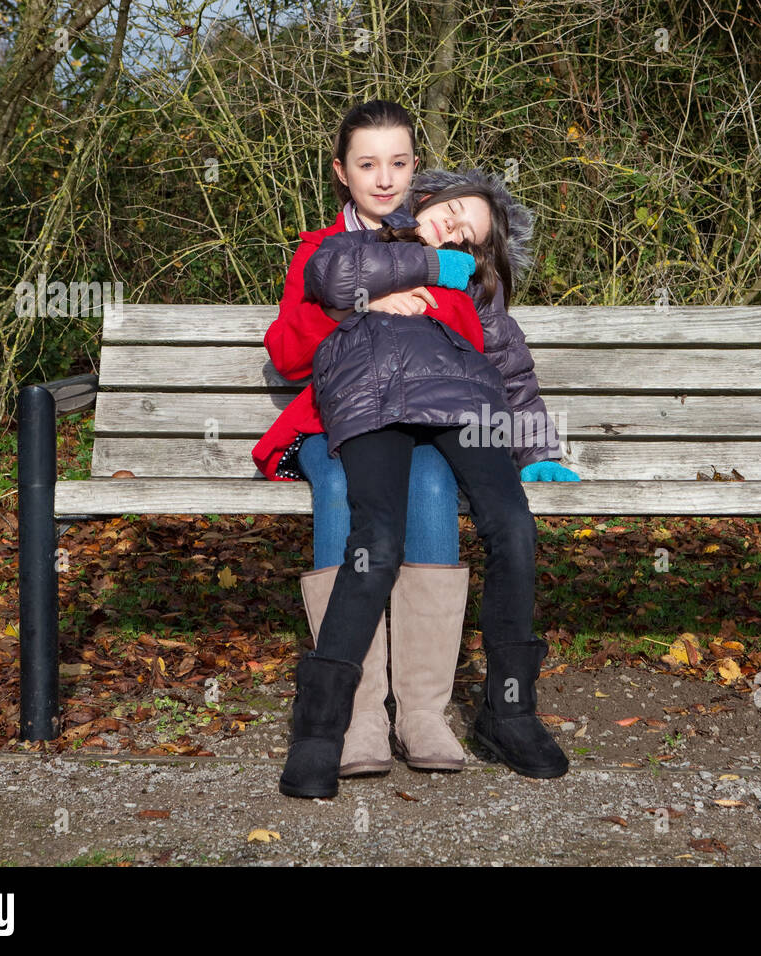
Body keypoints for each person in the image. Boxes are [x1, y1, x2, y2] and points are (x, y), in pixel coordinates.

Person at [252, 100, 576, 787]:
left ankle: (431, 710)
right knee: (352, 493)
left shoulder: (462, 273)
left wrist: (534, 445)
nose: (384, 177)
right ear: (342, 172)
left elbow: (511, 372)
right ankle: (355, 716)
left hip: (438, 419)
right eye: (368, 164)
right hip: (343, 419)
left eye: (398, 163)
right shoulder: (326, 250)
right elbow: (285, 353)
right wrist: (361, 303)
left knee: (452, 496)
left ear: (415, 173)